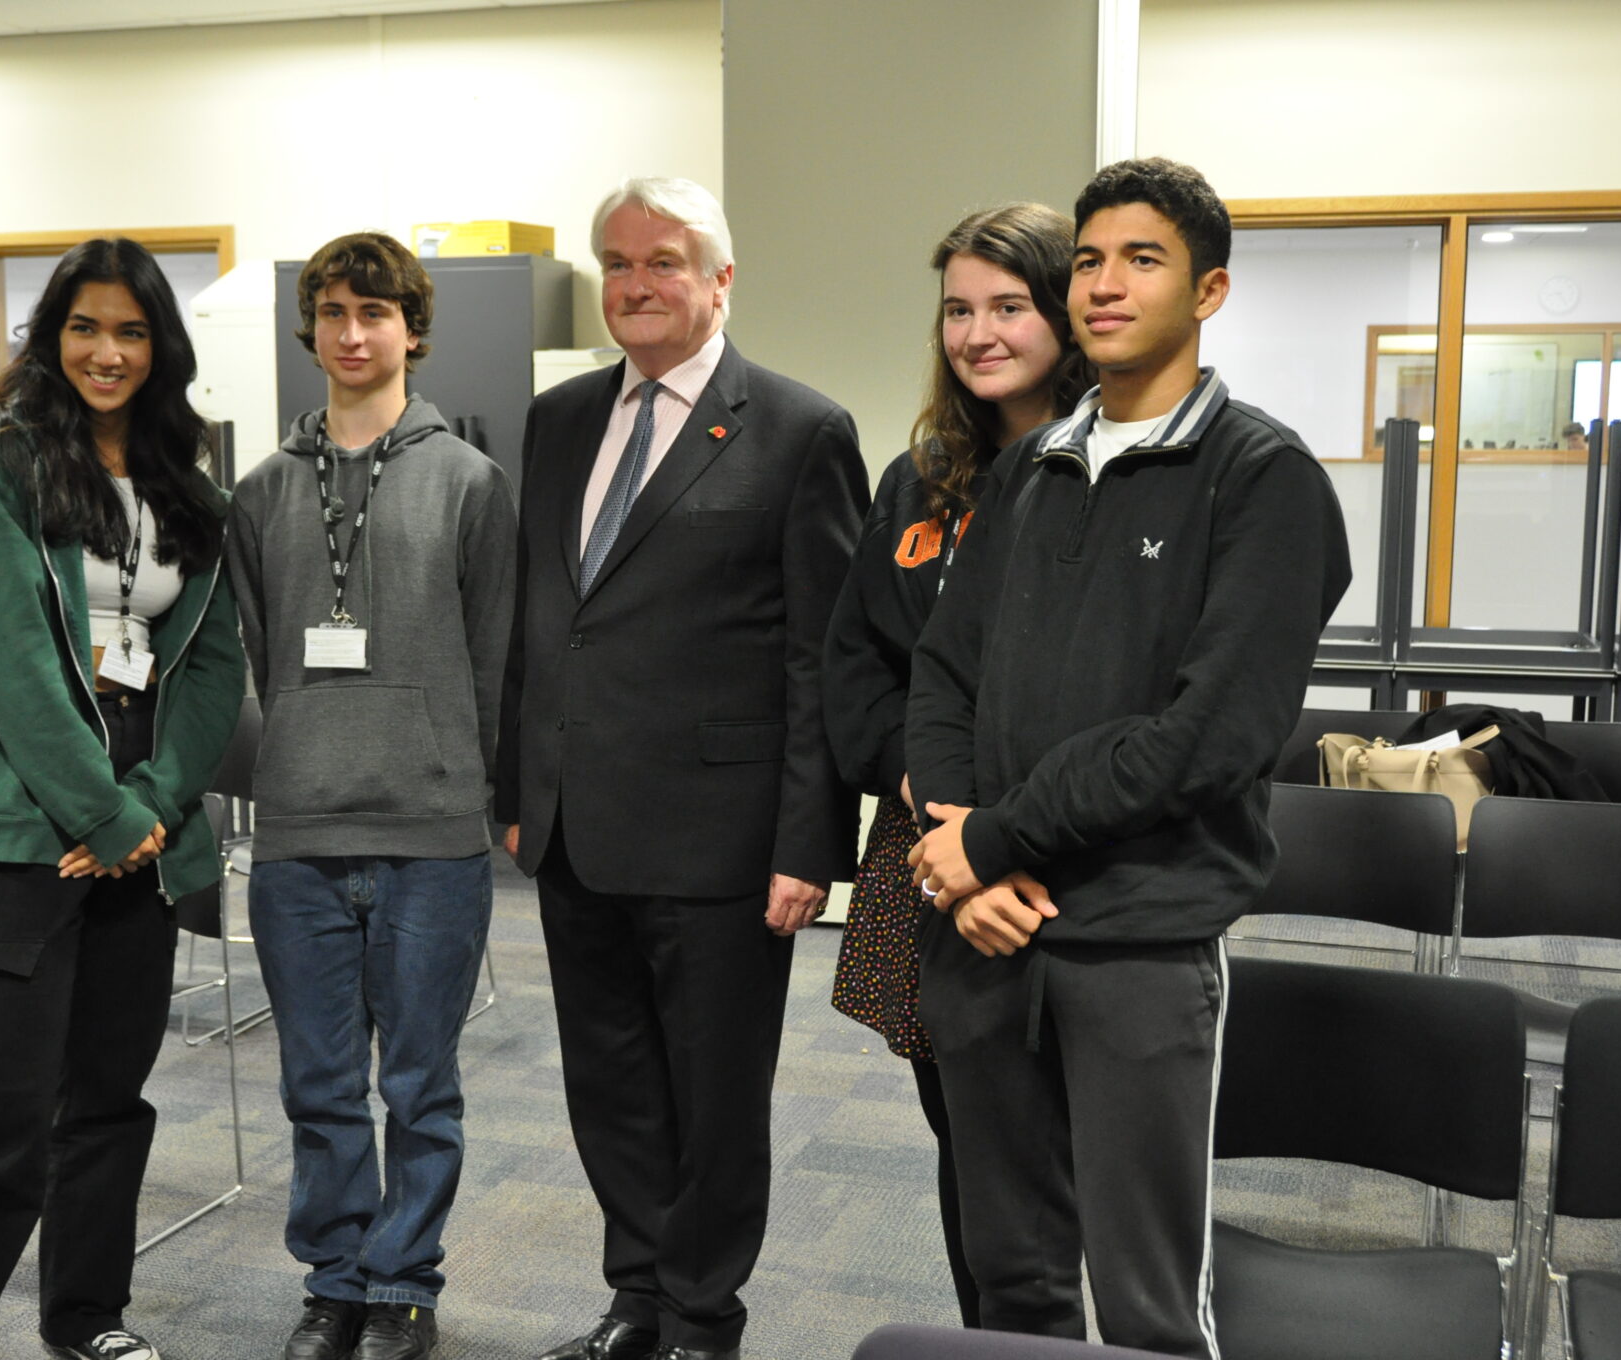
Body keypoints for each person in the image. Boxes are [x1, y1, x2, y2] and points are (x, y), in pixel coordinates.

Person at [905, 159, 1351, 1357]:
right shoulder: (1027, 468)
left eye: (1140, 260)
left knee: (1148, 1301)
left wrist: (994, 838)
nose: (1103, 285)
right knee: (1011, 1285)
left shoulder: (1263, 480)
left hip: (1138, 944)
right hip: (983, 935)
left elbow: (1206, 738)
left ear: (1204, 290)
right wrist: (961, 853)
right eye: (1088, 260)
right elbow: (941, 675)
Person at [498, 177, 869, 1360]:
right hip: (572, 829)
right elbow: (542, 619)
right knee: (607, 1082)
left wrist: (809, 845)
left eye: (664, 260)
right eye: (616, 261)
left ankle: (704, 1316)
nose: (635, 283)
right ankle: (637, 1298)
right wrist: (516, 793)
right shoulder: (557, 420)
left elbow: (823, 660)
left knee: (712, 1098)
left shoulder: (800, 431)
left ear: (720, 280)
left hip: (721, 839)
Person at [0, 237, 246, 1360]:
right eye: (86, 327)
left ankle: (86, 1316)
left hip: (144, 806)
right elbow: (6, 659)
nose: (108, 351)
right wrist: (102, 816)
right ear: (53, 336)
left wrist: (148, 804)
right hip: (29, 820)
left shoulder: (185, 483)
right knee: (3, 1115)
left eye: (132, 331)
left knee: (108, 1096)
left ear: (161, 345)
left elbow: (210, 665)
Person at [227, 232, 516, 1360]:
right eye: (334, 313)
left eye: (375, 312)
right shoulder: (260, 488)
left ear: (411, 327)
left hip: (430, 832)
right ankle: (334, 1279)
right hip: (298, 827)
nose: (353, 333)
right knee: (319, 1086)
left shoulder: (469, 481)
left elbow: (494, 661)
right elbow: (256, 656)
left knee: (419, 1085)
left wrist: (478, 792)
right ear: (311, 332)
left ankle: (402, 1284)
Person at [821, 202, 1091, 1329]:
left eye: (1007, 306)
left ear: (1066, 316)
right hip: (930, 854)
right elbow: (859, 668)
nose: (978, 333)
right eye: (956, 310)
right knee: (967, 1133)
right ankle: (990, 1338)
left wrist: (1002, 837)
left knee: (1063, 1153)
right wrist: (945, 822)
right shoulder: (920, 474)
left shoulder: (1117, 471)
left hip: (1070, 860)